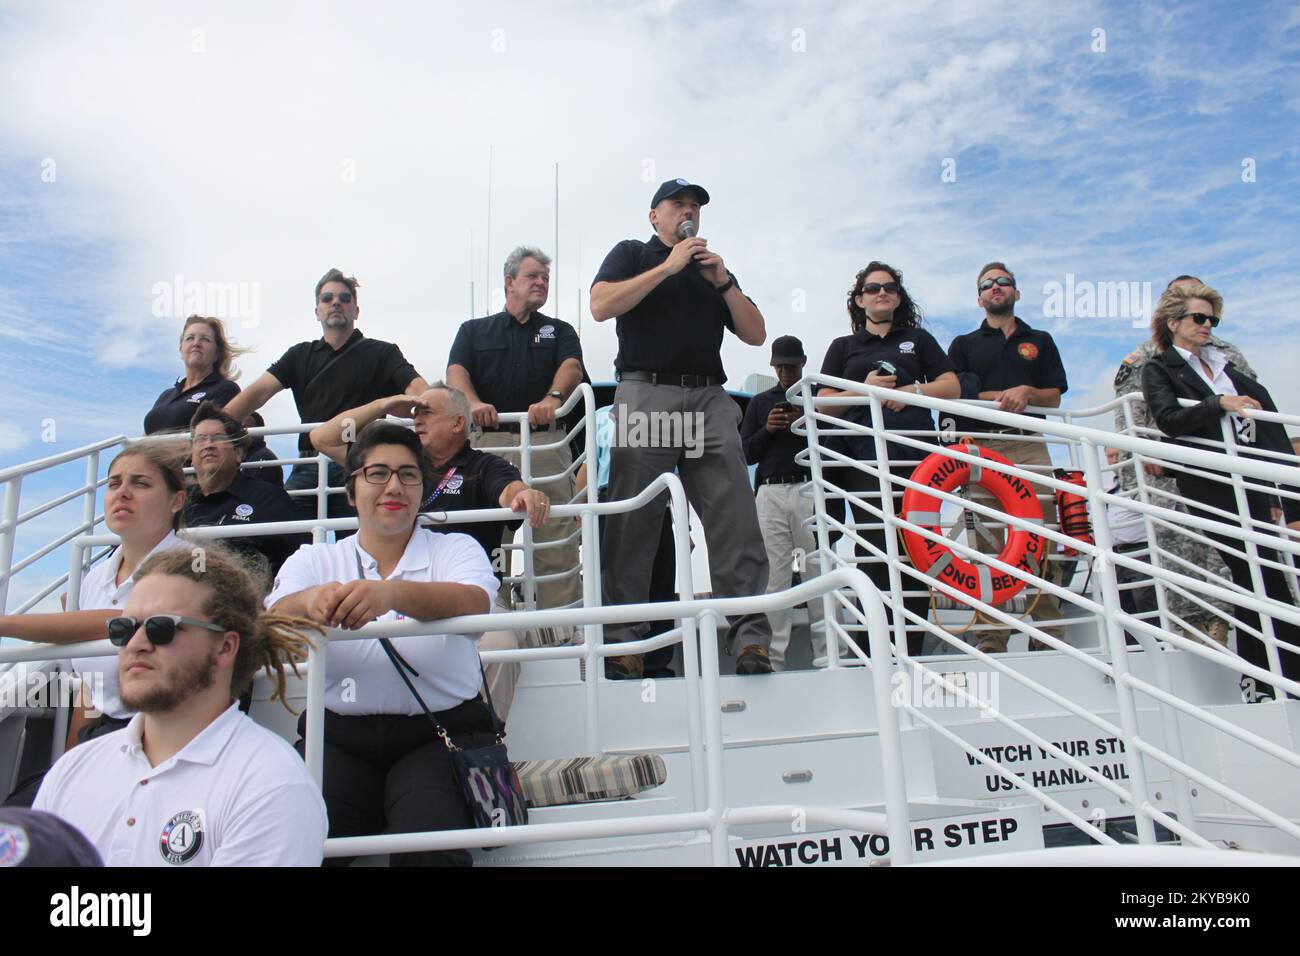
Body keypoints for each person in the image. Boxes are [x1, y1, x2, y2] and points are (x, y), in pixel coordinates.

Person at [267, 421, 501, 866]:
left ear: (422, 489)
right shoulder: (316, 559)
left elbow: (473, 603)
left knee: (428, 852)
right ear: (352, 491)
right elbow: (275, 613)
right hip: (338, 738)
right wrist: (312, 601)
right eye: (377, 473)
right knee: (294, 846)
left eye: (408, 474)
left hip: (437, 735)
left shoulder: (456, 549)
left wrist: (390, 594)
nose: (394, 485)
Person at [33, 546, 327, 866]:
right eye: (124, 629)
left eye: (162, 628)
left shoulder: (272, 785)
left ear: (225, 647)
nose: (136, 644)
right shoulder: (72, 770)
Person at [590, 177, 774, 676]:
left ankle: (751, 639)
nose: (688, 210)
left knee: (734, 515)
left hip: (709, 396)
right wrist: (667, 267)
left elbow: (756, 335)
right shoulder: (631, 252)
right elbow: (601, 305)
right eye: (678, 203)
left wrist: (725, 283)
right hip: (647, 391)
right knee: (634, 518)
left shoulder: (713, 271)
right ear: (655, 216)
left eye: (695, 205)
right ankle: (624, 642)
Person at [310, 384, 552, 721]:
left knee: (502, 648)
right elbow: (323, 439)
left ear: (457, 423)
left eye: (426, 413)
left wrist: (524, 495)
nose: (415, 420)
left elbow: (508, 489)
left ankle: (477, 743)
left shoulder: (484, 466)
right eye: (414, 413)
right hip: (379, 591)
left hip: (468, 598)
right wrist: (382, 403)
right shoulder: (395, 463)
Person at [1, 443, 190, 806]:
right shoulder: (94, 580)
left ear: (176, 501)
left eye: (141, 483)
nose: (122, 492)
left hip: (169, 743)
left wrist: (5, 624)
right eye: (114, 482)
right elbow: (91, 689)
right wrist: (70, 762)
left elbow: (124, 621)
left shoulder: (190, 566)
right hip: (104, 738)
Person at [1141, 282, 1300, 702]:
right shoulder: (1159, 368)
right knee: (1258, 574)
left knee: (1261, 577)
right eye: (1198, 318)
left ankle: (1263, 681)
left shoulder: (1232, 369)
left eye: (1212, 318)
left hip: (1251, 484)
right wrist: (1218, 404)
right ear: (1172, 323)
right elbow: (1169, 419)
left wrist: (1293, 502)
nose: (1207, 325)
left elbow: (1275, 438)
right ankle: (1279, 678)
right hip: (1209, 483)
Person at [818, 262, 960, 656]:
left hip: (915, 462)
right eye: (873, 288)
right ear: (860, 299)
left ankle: (910, 648)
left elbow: (952, 385)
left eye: (890, 288)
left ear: (898, 298)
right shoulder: (843, 347)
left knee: (915, 550)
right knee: (874, 550)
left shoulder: (919, 340)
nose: (882, 293)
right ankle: (874, 648)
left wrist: (911, 391)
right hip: (862, 461)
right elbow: (823, 404)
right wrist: (863, 390)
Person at [221, 268, 430, 520]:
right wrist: (215, 429)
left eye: (344, 298)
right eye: (327, 298)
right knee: (286, 536)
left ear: (356, 310)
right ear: (317, 310)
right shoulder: (299, 355)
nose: (336, 303)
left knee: (359, 544)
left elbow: (417, 388)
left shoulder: (382, 353)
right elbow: (258, 393)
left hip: (357, 461)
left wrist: (430, 404)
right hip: (309, 464)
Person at [1112, 275, 1251, 644]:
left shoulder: (1229, 355)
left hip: (1227, 467)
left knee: (1230, 553)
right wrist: (1143, 449)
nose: (1205, 323)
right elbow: (1130, 411)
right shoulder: (1146, 357)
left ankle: (1233, 626)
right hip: (1168, 473)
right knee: (1178, 551)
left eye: (1209, 317)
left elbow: (1254, 403)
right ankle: (1187, 631)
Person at [447, 246, 585, 609]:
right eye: (532, 276)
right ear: (509, 282)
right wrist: (473, 404)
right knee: (489, 536)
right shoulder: (474, 331)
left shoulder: (560, 331)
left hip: (545, 446)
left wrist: (553, 399)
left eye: (546, 278)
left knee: (556, 537)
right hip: (488, 447)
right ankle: (491, 625)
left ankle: (564, 632)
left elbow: (571, 367)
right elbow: (456, 372)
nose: (541, 283)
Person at [946, 262, 1069, 654]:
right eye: (987, 284)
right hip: (983, 445)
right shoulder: (963, 345)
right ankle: (992, 638)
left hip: (1029, 443)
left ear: (1016, 292)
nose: (996, 287)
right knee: (986, 544)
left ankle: (1048, 633)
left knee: (1041, 540)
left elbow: (1055, 394)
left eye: (1004, 282)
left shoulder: (1041, 340)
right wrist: (1001, 399)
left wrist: (1028, 392)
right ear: (979, 297)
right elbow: (955, 393)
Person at [739, 335, 826, 670]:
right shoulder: (761, 403)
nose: (787, 371)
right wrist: (769, 430)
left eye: (791, 365)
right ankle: (773, 660)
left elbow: (832, 442)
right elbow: (746, 452)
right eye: (781, 366)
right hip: (771, 492)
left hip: (808, 490)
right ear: (773, 367)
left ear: (803, 362)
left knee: (816, 574)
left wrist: (802, 424)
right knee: (775, 577)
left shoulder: (817, 399)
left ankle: (828, 654)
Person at [575, 405, 679, 678]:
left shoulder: (663, 414)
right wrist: (581, 513)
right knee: (612, 582)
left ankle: (657, 663)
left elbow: (677, 473)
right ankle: (618, 658)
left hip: (655, 499)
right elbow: (590, 465)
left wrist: (686, 528)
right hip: (610, 501)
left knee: (660, 582)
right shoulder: (600, 417)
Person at [183, 402, 309, 581]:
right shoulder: (180, 505)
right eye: (200, 439)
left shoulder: (268, 499)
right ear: (191, 457)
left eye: (218, 438)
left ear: (239, 454)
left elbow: (301, 555)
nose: (208, 445)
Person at [142, 316, 246, 435]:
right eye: (190, 338)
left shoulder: (225, 389)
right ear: (181, 349)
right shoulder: (166, 395)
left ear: (217, 353)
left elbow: (215, 439)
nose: (196, 343)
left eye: (205, 339)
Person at [240, 412, 286, 487]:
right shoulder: (247, 458)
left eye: (246, 427)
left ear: (260, 431)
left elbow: (253, 493)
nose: (242, 432)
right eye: (240, 428)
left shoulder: (263, 457)